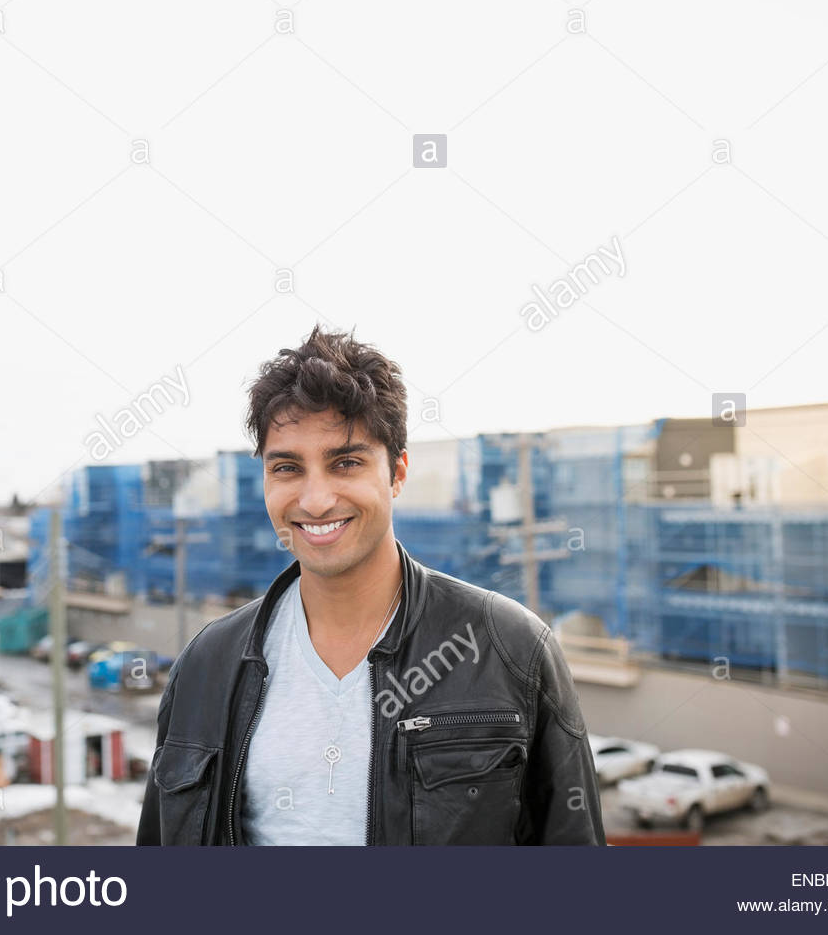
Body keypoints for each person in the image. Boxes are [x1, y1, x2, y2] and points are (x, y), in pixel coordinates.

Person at [137, 324, 604, 845]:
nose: (315, 500)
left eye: (346, 463)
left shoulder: (509, 648)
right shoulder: (207, 664)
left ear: (397, 472)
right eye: (287, 467)